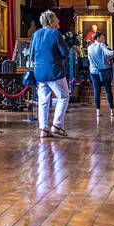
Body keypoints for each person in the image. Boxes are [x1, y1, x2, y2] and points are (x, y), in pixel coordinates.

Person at [30, 10, 71, 138]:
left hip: (39, 72)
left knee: (43, 100)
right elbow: (65, 53)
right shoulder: (55, 34)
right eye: (56, 19)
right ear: (50, 21)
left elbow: (31, 55)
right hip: (54, 71)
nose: (58, 21)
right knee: (64, 97)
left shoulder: (36, 34)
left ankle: (43, 129)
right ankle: (57, 125)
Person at [86, 31, 114, 116]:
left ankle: (98, 112)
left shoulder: (89, 47)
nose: (104, 38)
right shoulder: (102, 45)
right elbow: (108, 53)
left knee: (96, 91)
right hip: (104, 71)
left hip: (93, 72)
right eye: (102, 36)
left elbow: (89, 59)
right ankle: (111, 111)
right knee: (108, 90)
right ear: (98, 38)